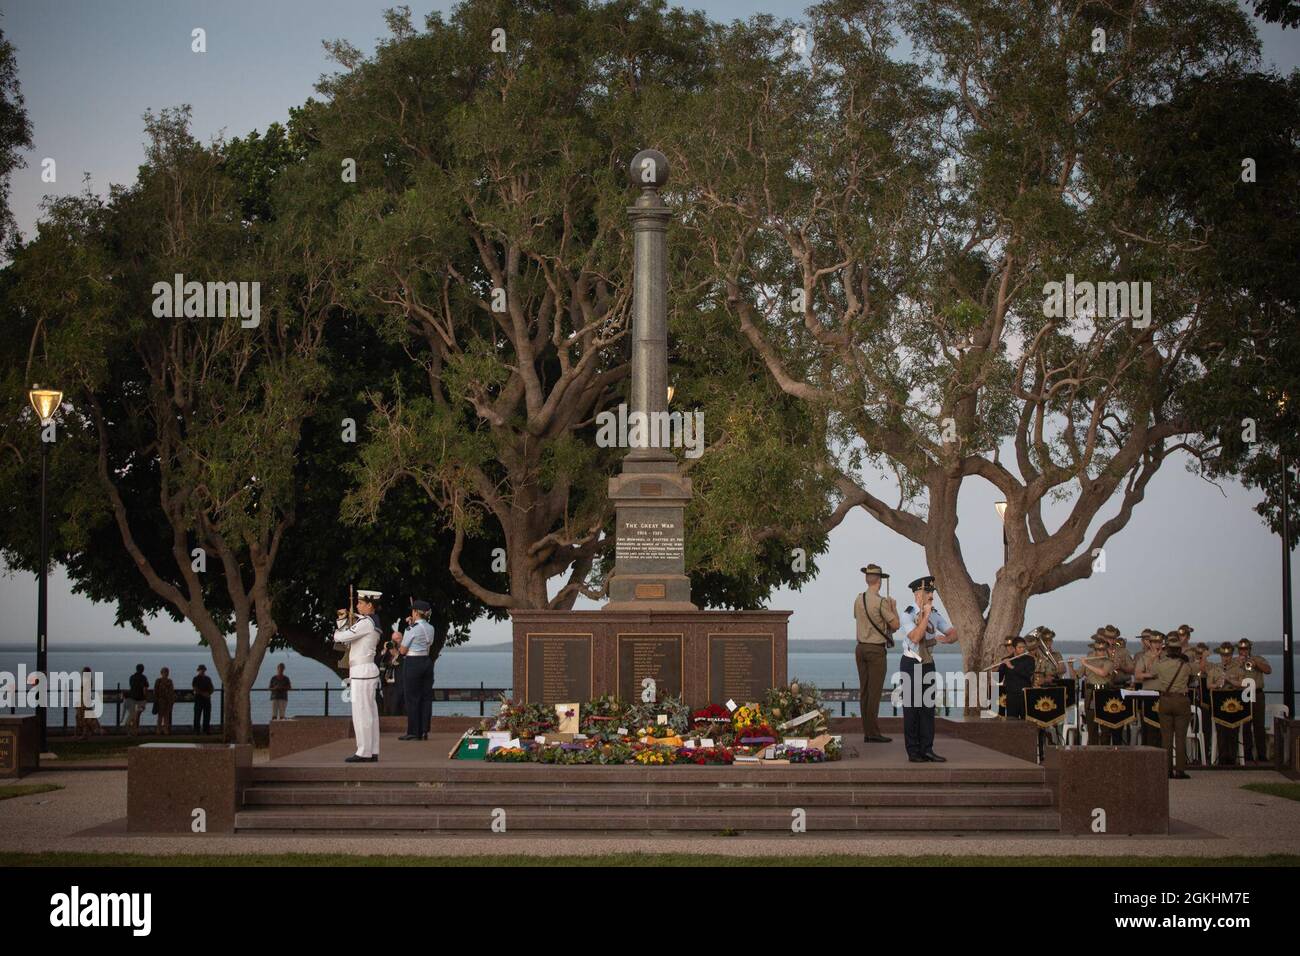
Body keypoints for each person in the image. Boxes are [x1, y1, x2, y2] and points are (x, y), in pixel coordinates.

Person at [898, 575, 959, 763]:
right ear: (918, 595)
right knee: (912, 709)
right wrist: (924, 615)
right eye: (928, 593)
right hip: (911, 663)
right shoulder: (908, 614)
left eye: (932, 593)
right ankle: (913, 751)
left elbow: (953, 633)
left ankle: (927, 749)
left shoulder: (935, 613)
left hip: (927, 664)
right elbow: (916, 637)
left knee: (927, 708)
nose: (932, 596)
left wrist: (945, 638)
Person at [334, 589, 383, 763]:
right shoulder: (370, 622)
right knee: (371, 712)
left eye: (361, 603)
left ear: (370, 605)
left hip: (361, 671)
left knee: (361, 713)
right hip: (366, 670)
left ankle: (363, 751)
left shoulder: (365, 623)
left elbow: (341, 638)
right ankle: (372, 749)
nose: (357, 605)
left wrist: (341, 621)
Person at [852, 563, 899, 743]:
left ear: (867, 579)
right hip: (875, 650)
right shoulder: (881, 602)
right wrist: (892, 607)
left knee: (864, 691)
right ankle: (873, 733)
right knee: (874, 692)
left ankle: (868, 731)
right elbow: (895, 625)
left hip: (860, 648)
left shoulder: (859, 598)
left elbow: (859, 618)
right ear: (879, 581)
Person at [1136, 634, 1193, 778]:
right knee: (1180, 737)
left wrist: (1156, 656)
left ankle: (1166, 770)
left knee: (1166, 737)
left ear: (1167, 649)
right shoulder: (1186, 665)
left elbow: (1151, 672)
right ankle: (1180, 770)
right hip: (1181, 700)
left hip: (1165, 700)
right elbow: (1192, 678)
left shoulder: (1161, 665)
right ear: (1179, 650)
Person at [397, 599, 436, 741]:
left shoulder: (410, 629)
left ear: (415, 612)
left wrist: (408, 629)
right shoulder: (431, 628)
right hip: (426, 660)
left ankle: (413, 731)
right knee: (426, 697)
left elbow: (402, 650)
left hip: (413, 662)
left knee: (412, 697)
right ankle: (424, 729)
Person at [1071, 636, 1115, 744]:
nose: (1101, 652)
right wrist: (1070, 666)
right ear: (1094, 650)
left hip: (1103, 693)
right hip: (1090, 695)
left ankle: (1105, 750)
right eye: (1098, 650)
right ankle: (1092, 750)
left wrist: (1086, 664)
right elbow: (1076, 676)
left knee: (1105, 727)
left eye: (1103, 650)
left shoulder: (1108, 662)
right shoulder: (1089, 659)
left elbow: (1103, 673)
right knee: (1091, 726)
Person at [1236, 638, 1272, 763]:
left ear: (1249, 649)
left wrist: (1256, 663)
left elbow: (1268, 670)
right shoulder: (1236, 661)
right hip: (1243, 695)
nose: (1243, 651)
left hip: (1257, 694)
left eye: (1245, 649)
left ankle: (1262, 755)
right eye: (1241, 649)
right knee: (1245, 726)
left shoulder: (1258, 658)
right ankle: (1247, 755)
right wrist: (1238, 664)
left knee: (1259, 726)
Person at [1208, 642, 1240, 765]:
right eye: (1223, 655)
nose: (1226, 658)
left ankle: (1232, 757)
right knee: (1221, 730)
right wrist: (1217, 685)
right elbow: (1208, 685)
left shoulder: (1237, 668)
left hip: (1233, 703)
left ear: (1232, 655)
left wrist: (1230, 680)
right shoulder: (1215, 668)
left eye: (1228, 655)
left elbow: (1242, 683)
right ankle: (1222, 757)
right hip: (1219, 702)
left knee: (1233, 731)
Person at [999, 636, 1035, 720]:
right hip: (1011, 696)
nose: (1022, 649)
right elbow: (999, 679)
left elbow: (1027, 674)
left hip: (1025, 696)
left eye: (1023, 647)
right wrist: (998, 669)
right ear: (1014, 648)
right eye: (1020, 647)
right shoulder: (1006, 660)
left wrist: (1011, 667)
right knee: (1011, 723)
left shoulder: (1030, 660)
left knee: (1026, 722)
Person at [75, 666, 103, 740]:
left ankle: (86, 733)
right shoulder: (87, 680)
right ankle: (89, 732)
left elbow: (85, 693)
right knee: (85, 717)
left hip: (84, 702)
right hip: (83, 701)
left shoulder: (87, 681)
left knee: (84, 718)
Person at [126, 664, 148, 734]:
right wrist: (146, 697)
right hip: (140, 699)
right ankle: (135, 730)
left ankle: (132, 729)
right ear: (143, 669)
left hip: (132, 698)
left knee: (134, 714)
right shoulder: (143, 677)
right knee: (137, 715)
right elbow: (145, 688)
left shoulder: (132, 677)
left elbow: (131, 687)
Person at [192, 664, 214, 734]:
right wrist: (203, 693)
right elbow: (195, 688)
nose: (202, 671)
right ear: (198, 670)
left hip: (207, 699)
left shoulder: (208, 678)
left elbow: (212, 688)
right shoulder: (195, 678)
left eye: (203, 670)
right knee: (197, 714)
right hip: (198, 699)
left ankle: (206, 729)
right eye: (201, 670)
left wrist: (209, 693)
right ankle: (196, 730)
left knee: (207, 715)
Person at [153, 667, 175, 735]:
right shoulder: (158, 681)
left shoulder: (170, 681)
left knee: (166, 716)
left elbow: (171, 691)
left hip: (168, 701)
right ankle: (158, 730)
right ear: (161, 673)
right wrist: (156, 699)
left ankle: (166, 730)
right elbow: (155, 691)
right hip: (160, 700)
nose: (166, 674)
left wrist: (171, 701)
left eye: (167, 672)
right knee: (160, 716)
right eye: (164, 672)